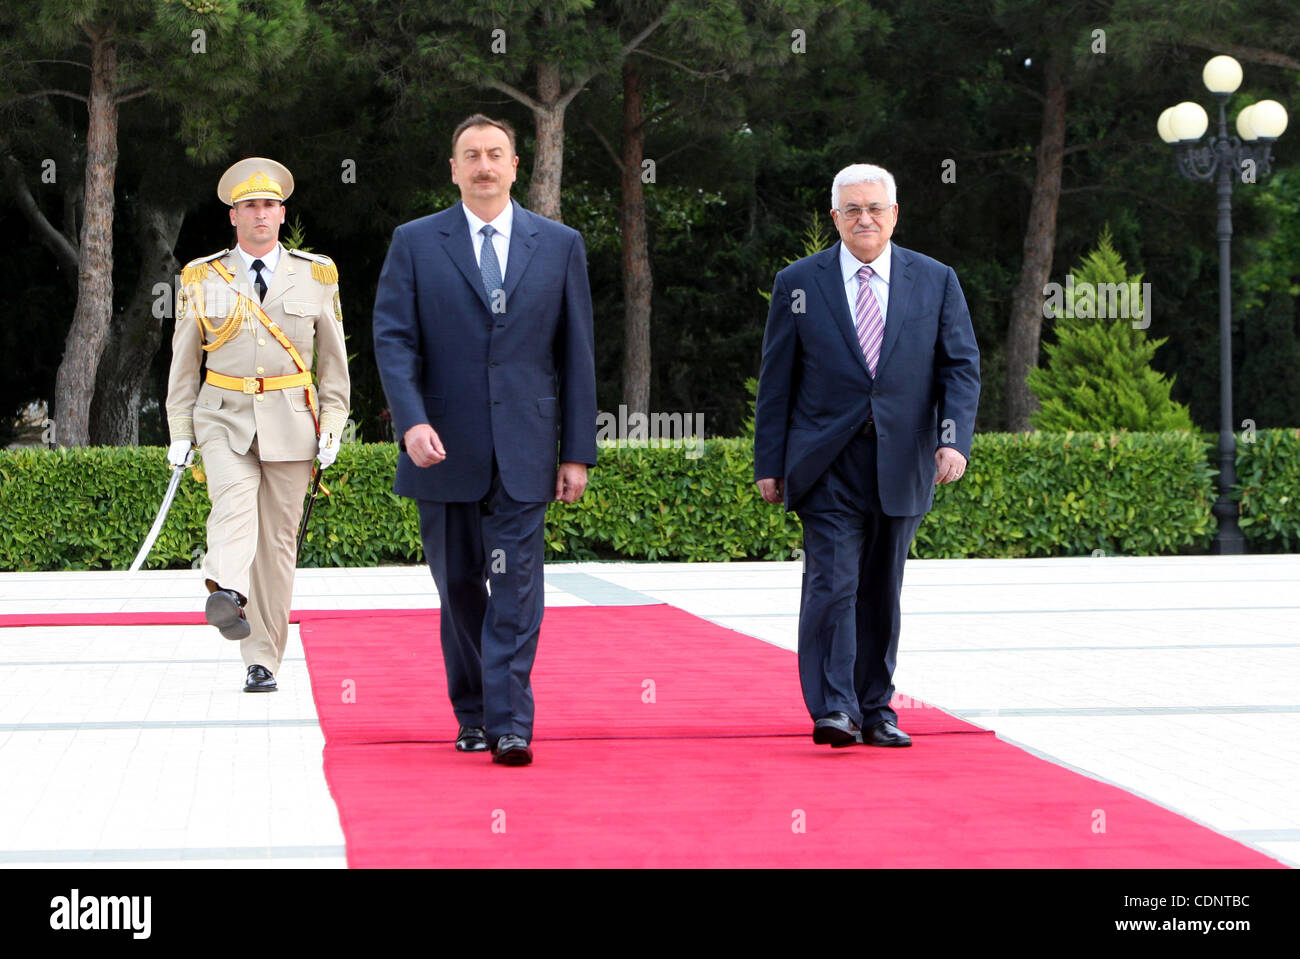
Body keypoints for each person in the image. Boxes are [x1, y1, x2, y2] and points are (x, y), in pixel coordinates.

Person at [372, 115, 597, 766]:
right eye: (471, 154)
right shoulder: (415, 243)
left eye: (495, 154)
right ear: (453, 168)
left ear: (515, 165)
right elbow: (393, 339)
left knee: (518, 589)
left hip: (526, 450)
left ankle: (509, 722)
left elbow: (576, 354)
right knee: (462, 588)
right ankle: (471, 712)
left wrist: (576, 449)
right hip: (441, 448)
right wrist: (411, 419)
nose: (484, 165)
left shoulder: (558, 245)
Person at [753, 163, 980, 749]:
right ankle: (835, 707)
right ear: (835, 218)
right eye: (852, 209)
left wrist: (952, 439)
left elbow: (960, 367)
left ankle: (876, 706)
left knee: (882, 589)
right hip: (825, 463)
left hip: (904, 460)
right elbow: (778, 379)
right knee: (832, 584)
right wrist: (769, 463)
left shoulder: (936, 280)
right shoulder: (799, 282)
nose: (865, 219)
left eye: (876, 208)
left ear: (895, 214)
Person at [165, 157, 351, 693]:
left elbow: (333, 362)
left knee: (277, 546)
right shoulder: (203, 275)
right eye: (249, 206)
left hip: (293, 420)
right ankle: (227, 590)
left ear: (282, 212)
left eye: (269, 205)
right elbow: (184, 361)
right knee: (233, 502)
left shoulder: (316, 273)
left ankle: (262, 660)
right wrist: (181, 430)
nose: (260, 215)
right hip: (222, 417)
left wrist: (334, 424)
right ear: (233, 216)